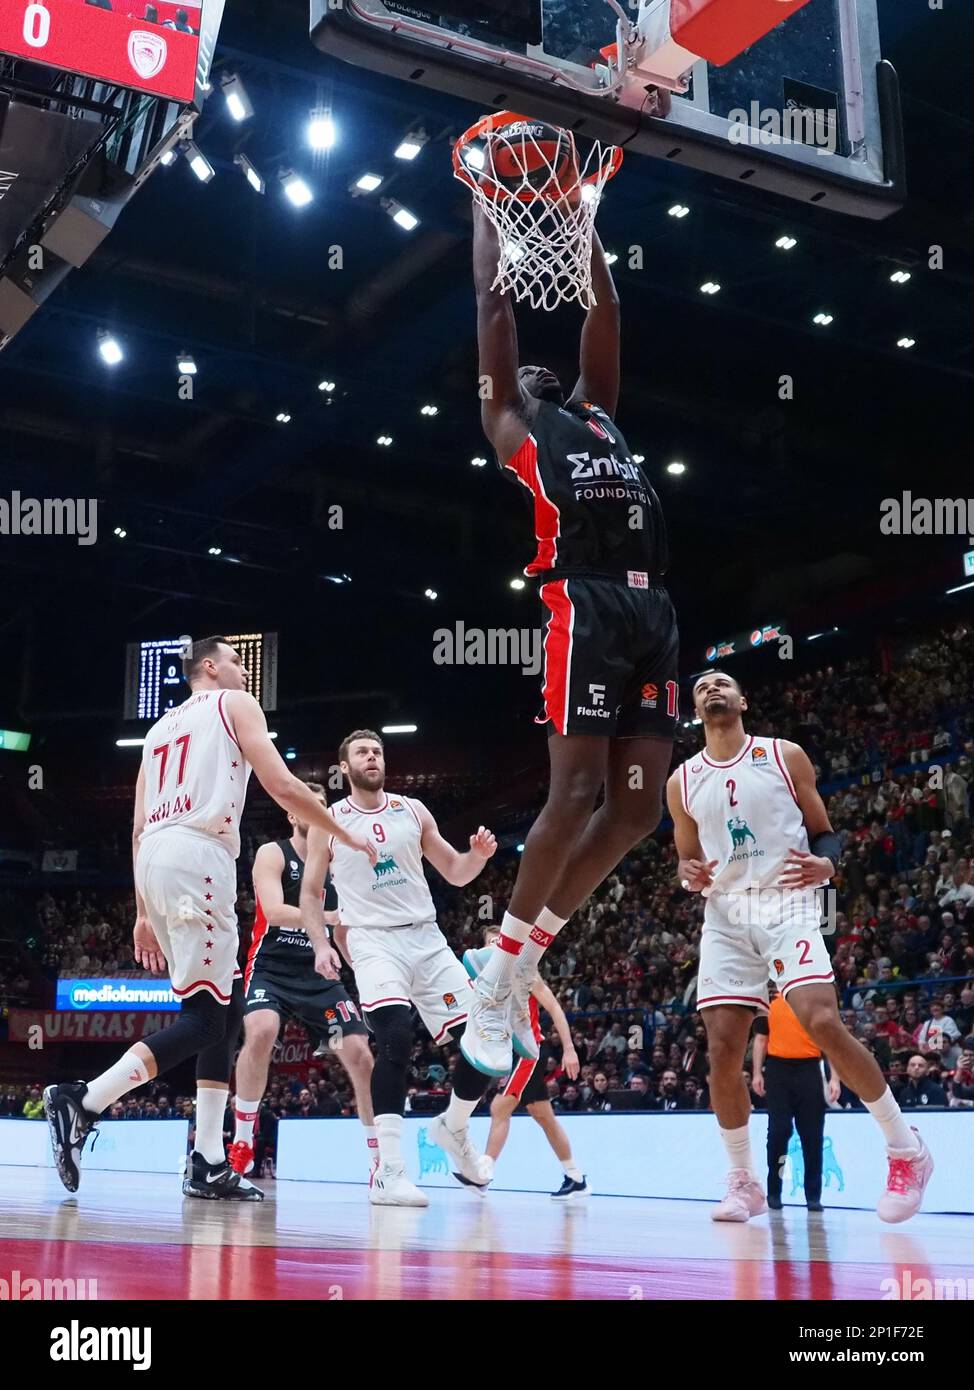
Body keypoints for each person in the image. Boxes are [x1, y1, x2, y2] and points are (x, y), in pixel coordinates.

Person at [460, 190, 678, 1078]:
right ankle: (498, 975)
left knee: (634, 809)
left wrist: (580, 215)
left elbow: (607, 307)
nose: (544, 371)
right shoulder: (512, 423)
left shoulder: (599, 411)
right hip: (580, 604)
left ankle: (525, 954)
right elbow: (493, 304)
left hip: (653, 608)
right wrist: (486, 200)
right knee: (577, 789)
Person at [43, 637, 375, 1201]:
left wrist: (143, 910)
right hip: (199, 857)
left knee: (221, 1011)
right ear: (209, 667)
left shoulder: (155, 732)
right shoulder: (233, 705)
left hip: (157, 860)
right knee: (204, 1020)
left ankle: (208, 1160)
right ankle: (84, 1098)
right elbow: (285, 786)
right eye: (238, 663)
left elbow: (137, 826)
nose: (245, 673)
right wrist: (346, 836)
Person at [666, 670, 933, 1224]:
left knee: (821, 1021)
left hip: (787, 900)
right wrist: (688, 874)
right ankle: (742, 1182)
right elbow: (686, 862)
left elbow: (825, 831)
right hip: (726, 913)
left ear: (743, 699)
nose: (713, 689)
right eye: (702, 687)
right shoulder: (682, 781)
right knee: (721, 1049)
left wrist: (827, 862)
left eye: (724, 682)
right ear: (695, 709)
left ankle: (906, 1148)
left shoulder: (784, 755)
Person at [301, 730, 497, 1206]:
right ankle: (390, 1171)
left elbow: (454, 871)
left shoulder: (413, 810)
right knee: (394, 1038)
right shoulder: (329, 822)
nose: (372, 757)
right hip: (371, 940)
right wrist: (320, 944)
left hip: (426, 938)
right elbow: (310, 893)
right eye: (362, 753)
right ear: (344, 768)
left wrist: (478, 856)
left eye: (378, 752)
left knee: (486, 1039)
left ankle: (453, 1127)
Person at [229, 782, 375, 1183]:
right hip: (272, 966)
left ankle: (381, 1159)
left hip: (319, 972)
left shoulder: (341, 863)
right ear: (292, 814)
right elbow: (273, 911)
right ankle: (243, 1142)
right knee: (261, 1029)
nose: (317, 810)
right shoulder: (273, 853)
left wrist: (360, 971)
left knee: (360, 1054)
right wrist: (324, 918)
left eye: (323, 805)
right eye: (308, 805)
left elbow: (344, 934)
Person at [464, 929, 588, 1199]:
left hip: (528, 1049)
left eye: (500, 942)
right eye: (490, 944)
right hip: (507, 1052)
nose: (495, 948)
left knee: (500, 1106)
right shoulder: (482, 981)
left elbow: (554, 1008)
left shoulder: (523, 972)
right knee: (543, 1115)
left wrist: (568, 1048)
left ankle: (483, 1173)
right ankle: (576, 1177)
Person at [752, 984, 840, 1212]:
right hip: (778, 1069)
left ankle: (813, 1195)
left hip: (810, 1068)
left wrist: (834, 1078)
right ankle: (774, 1190)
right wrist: (756, 1073)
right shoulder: (769, 1004)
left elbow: (831, 1043)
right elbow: (761, 1040)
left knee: (812, 1135)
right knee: (778, 1132)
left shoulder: (813, 1002)